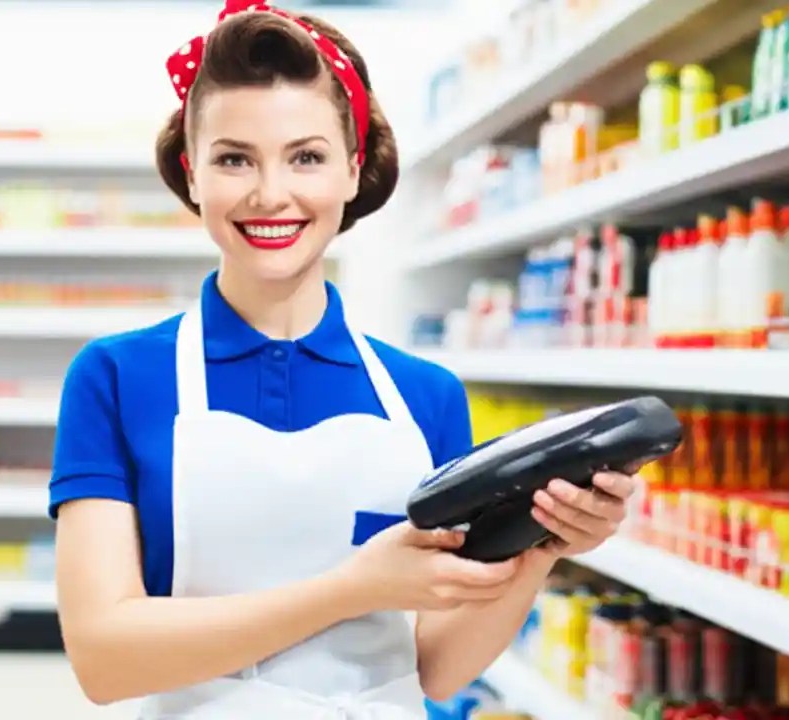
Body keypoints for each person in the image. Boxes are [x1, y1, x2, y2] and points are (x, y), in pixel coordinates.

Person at [48, 2, 637, 717]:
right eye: (234, 158)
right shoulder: (116, 378)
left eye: (307, 157)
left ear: (354, 171)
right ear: (191, 173)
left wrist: (540, 545)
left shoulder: (426, 396)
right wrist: (354, 589)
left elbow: (438, 668)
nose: (272, 194)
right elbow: (106, 658)